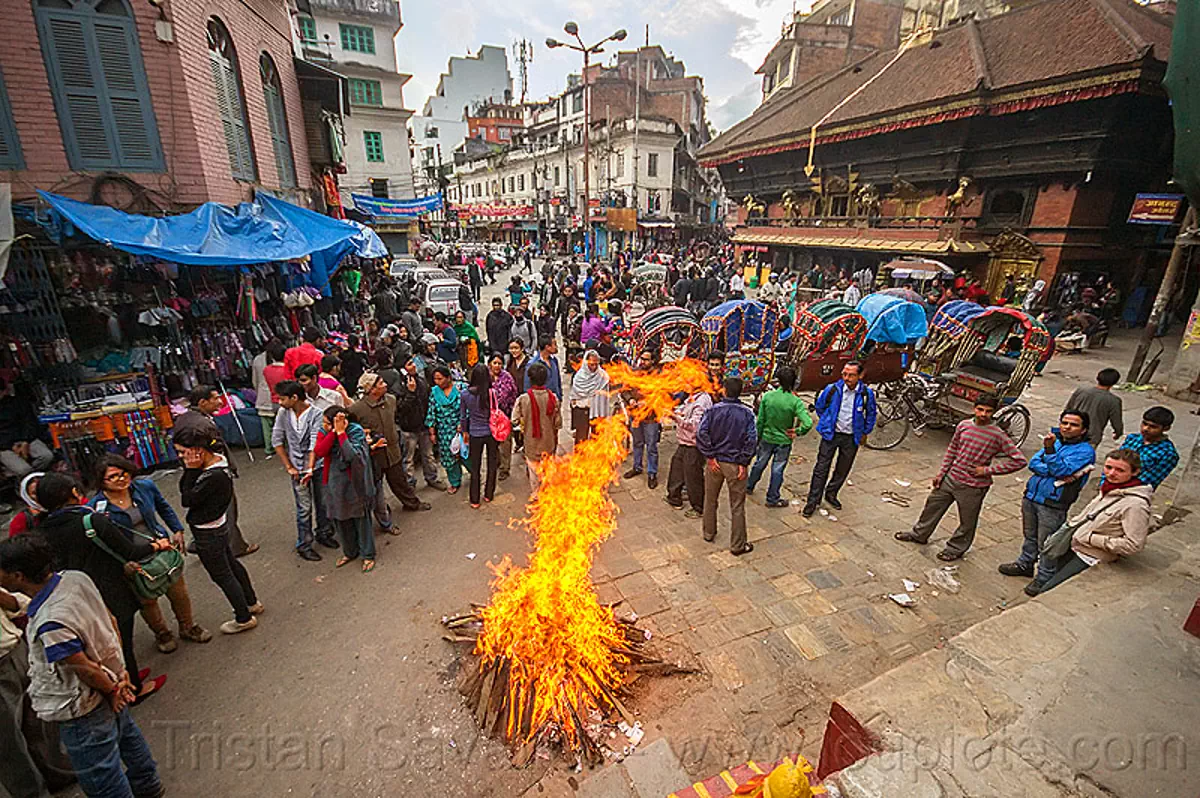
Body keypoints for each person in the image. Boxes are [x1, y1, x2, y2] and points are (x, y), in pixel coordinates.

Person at [0, 535, 165, 798]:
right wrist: (119, 672)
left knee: (102, 776)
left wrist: (111, 689)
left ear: (17, 576)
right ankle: (149, 787)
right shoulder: (74, 578)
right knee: (128, 739)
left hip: (85, 704)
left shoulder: (51, 622)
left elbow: (83, 668)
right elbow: (109, 620)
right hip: (113, 679)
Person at [35, 472, 168, 699]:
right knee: (120, 639)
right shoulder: (89, 519)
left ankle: (124, 677)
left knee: (98, 642)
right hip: (108, 589)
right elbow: (130, 551)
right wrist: (157, 546)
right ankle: (133, 686)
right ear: (74, 493)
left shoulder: (42, 529)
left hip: (74, 595)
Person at [88, 455, 211, 654]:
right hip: (133, 559)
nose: (121, 478)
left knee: (178, 591)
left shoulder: (144, 487)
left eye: (124, 473)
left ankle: (188, 627)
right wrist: (122, 564)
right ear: (101, 481)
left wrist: (177, 529)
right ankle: (162, 633)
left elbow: (163, 506)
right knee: (147, 600)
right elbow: (101, 542)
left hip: (162, 548)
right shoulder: (96, 508)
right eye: (113, 477)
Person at [896, 395, 1028, 560]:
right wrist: (942, 473)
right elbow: (953, 449)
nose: (983, 414)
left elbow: (1019, 460)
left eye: (988, 411)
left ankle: (955, 549)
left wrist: (988, 470)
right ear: (974, 408)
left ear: (994, 413)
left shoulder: (998, 435)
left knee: (967, 521)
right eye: (980, 409)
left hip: (973, 486)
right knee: (932, 507)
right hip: (951, 477)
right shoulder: (964, 425)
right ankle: (919, 534)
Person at [174, 427, 263, 633]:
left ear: (197, 450)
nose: (180, 457)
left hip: (208, 532)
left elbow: (187, 498)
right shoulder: (218, 462)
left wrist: (191, 470)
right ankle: (251, 603)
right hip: (219, 525)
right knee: (231, 564)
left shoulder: (211, 475)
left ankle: (243, 617)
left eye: (182, 451)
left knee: (222, 575)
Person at [1033, 449, 1154, 597]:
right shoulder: (1110, 489)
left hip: (1091, 557)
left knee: (1050, 593)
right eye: (1108, 467)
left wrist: (1091, 538)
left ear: (1134, 472)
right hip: (1075, 547)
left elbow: (1134, 544)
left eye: (1120, 470)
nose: (1112, 473)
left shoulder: (1135, 505)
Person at [997, 409, 1095, 588]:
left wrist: (1049, 453)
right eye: (1064, 423)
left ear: (1083, 430)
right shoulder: (1056, 441)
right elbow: (1034, 463)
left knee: (1048, 544)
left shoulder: (1085, 452)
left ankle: (1044, 578)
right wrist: (1051, 467)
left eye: (1073, 425)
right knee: (1030, 536)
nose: (1067, 427)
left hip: (1053, 503)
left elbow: (1062, 471)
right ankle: (1025, 563)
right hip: (1032, 496)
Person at [1, 573, 74, 798]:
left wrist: (7, 600)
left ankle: (56, 772)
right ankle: (34, 792)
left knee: (38, 718)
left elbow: (18, 603)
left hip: (14, 649)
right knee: (8, 741)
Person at [172, 385, 259, 557]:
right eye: (215, 399)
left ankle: (198, 542)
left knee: (204, 506)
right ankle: (236, 547)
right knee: (226, 508)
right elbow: (216, 450)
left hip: (194, 471)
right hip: (209, 472)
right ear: (203, 402)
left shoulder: (186, 418)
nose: (220, 402)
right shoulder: (203, 424)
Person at [350, 371, 432, 528]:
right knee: (376, 491)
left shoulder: (391, 400)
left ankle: (411, 503)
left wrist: (411, 393)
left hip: (392, 450)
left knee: (399, 481)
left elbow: (400, 414)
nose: (385, 385)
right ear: (371, 389)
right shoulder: (357, 409)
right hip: (373, 455)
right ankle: (384, 521)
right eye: (380, 383)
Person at [803, 362, 877, 517]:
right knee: (821, 468)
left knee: (842, 469)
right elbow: (820, 406)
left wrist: (865, 430)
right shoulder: (832, 389)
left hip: (851, 437)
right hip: (831, 435)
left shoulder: (866, 394)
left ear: (860, 376)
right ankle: (813, 500)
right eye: (844, 374)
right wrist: (826, 422)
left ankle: (831, 494)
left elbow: (871, 414)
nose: (847, 378)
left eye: (851, 375)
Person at [696, 377, 758, 556]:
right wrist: (743, 462)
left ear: (724, 391)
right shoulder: (747, 414)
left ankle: (708, 532)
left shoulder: (713, 411)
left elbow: (702, 433)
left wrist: (710, 456)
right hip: (735, 464)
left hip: (715, 463)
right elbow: (751, 440)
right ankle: (738, 545)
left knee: (710, 498)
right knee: (737, 505)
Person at [314, 407, 378, 573]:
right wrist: (333, 432)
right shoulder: (326, 431)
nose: (325, 426)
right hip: (334, 483)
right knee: (340, 518)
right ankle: (350, 551)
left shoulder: (355, 431)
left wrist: (342, 434)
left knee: (361, 519)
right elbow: (320, 451)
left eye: (328, 423)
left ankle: (368, 554)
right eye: (326, 423)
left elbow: (353, 456)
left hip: (355, 483)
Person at [272, 380, 330, 561]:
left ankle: (324, 533)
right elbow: (277, 440)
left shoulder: (316, 414)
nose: (280, 402)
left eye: (282, 399)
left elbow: (315, 442)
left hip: (316, 465)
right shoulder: (283, 413)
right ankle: (304, 544)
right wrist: (289, 466)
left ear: (294, 398)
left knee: (323, 503)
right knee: (304, 508)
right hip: (297, 468)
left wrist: (310, 467)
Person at [746, 366, 814, 508]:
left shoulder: (768, 397)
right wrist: (798, 431)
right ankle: (772, 498)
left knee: (759, 463)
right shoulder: (795, 401)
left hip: (767, 437)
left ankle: (749, 485)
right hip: (783, 440)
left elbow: (760, 420)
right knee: (777, 470)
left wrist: (758, 437)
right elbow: (808, 423)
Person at [664, 380, 713, 519]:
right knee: (676, 468)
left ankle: (698, 507)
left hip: (694, 446)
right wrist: (675, 411)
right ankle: (674, 498)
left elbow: (694, 425)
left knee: (693, 477)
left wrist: (675, 418)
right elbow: (684, 410)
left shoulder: (702, 401)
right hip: (684, 442)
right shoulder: (692, 397)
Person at [511, 362, 561, 498]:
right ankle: (548, 490)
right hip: (548, 442)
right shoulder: (553, 398)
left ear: (530, 379)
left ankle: (536, 493)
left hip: (531, 442)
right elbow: (558, 423)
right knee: (548, 468)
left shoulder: (523, 399)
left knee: (533, 471)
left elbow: (514, 420)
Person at [396, 357, 444, 490]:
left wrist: (431, 423)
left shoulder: (421, 381)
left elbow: (427, 401)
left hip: (423, 425)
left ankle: (432, 478)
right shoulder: (399, 386)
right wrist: (410, 393)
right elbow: (400, 409)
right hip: (409, 428)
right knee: (408, 459)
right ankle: (410, 484)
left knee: (428, 455)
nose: (414, 366)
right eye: (410, 364)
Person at [460, 364, 500, 509]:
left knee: (475, 467)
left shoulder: (465, 394)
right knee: (492, 464)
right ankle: (489, 494)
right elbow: (496, 411)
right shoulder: (492, 393)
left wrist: (465, 432)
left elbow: (463, 417)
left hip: (475, 434)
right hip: (491, 433)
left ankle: (475, 499)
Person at [623, 350, 663, 488]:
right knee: (637, 442)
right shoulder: (634, 373)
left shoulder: (658, 376)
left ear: (652, 361)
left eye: (646, 359)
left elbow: (663, 395)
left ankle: (652, 473)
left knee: (651, 446)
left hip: (651, 418)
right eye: (642, 359)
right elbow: (625, 389)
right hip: (636, 415)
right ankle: (637, 467)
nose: (643, 362)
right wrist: (631, 399)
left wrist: (649, 402)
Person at [1116, 406, 1178, 490]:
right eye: (1144, 424)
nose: (1146, 429)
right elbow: (1114, 460)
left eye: (1153, 427)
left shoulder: (1168, 454)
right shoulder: (1132, 438)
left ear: (1166, 428)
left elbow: (1147, 481)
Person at [426, 366, 464, 494]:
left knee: (466, 454)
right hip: (444, 431)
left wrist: (464, 423)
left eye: (440, 378)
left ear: (448, 378)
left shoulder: (460, 388)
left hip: (461, 429)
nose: (437, 381)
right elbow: (431, 412)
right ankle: (455, 482)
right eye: (435, 379)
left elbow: (467, 408)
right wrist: (432, 432)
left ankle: (475, 475)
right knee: (449, 458)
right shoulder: (434, 392)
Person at [1065, 368, 1123, 446]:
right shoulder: (1113, 401)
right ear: (1114, 383)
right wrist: (1118, 432)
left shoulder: (1081, 390)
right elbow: (1116, 421)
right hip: (1091, 436)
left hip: (1071, 432)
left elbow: (1068, 409)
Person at [253, 339, 288, 458]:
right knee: (284, 424)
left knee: (267, 426)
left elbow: (255, 380)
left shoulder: (258, 360)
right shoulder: (285, 368)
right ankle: (284, 447)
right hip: (280, 399)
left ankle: (269, 448)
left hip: (263, 397)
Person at [487, 354, 519, 481]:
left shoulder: (507, 377)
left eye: (500, 363)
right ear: (490, 363)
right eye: (495, 363)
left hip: (505, 415)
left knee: (505, 443)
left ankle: (505, 468)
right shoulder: (485, 377)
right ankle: (496, 463)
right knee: (493, 443)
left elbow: (513, 393)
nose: (497, 366)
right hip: (490, 417)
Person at [569, 350, 611, 444]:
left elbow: (604, 398)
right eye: (591, 364)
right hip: (582, 412)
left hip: (598, 412)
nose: (594, 367)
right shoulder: (579, 378)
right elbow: (574, 397)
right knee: (581, 439)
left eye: (596, 364)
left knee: (597, 438)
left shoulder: (603, 377)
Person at [8, 471, 45, 538]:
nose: (40, 494)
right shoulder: (21, 520)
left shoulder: (64, 505)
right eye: (34, 493)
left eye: (42, 489)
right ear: (27, 496)